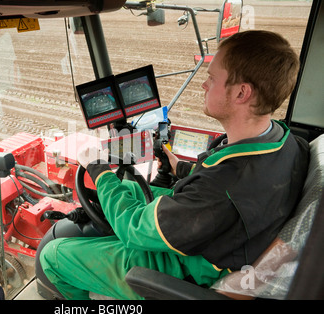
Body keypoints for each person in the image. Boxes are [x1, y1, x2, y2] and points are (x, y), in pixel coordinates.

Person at [38, 30, 310, 300]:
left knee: (52, 256)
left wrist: (97, 168)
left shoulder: (222, 189)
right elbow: (222, 190)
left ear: (241, 93)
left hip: (185, 267)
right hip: (222, 233)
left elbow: (135, 227)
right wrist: (182, 169)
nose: (204, 85)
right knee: (129, 188)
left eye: (212, 78)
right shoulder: (288, 142)